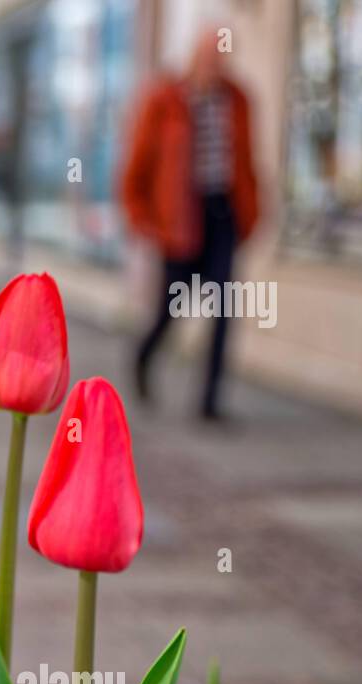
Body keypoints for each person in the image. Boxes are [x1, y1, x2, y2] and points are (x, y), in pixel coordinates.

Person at [120, 28, 259, 420]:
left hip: (223, 216)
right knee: (172, 307)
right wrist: (142, 217)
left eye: (222, 56)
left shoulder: (238, 99)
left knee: (223, 309)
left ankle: (210, 401)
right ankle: (144, 355)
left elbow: (247, 160)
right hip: (181, 219)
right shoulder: (164, 99)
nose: (216, 64)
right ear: (196, 57)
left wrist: (252, 213)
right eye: (210, 55)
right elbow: (138, 164)